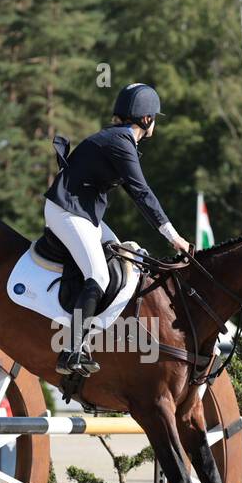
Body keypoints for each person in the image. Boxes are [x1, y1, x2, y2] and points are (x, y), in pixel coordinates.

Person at [43, 82, 189, 376]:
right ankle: (71, 349)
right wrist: (174, 237)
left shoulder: (118, 139)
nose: (155, 124)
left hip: (83, 213)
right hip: (66, 211)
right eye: (155, 118)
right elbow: (142, 194)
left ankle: (97, 334)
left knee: (123, 257)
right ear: (146, 119)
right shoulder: (121, 142)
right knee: (97, 274)